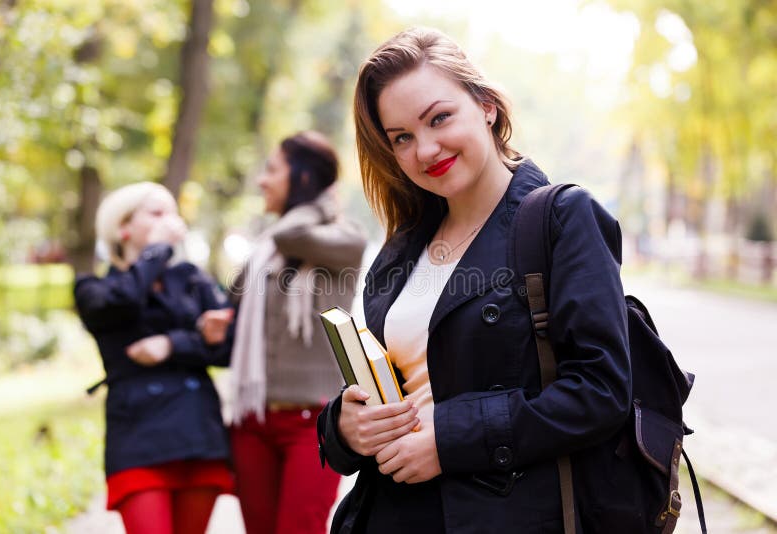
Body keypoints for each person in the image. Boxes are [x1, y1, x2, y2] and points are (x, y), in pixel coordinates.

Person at [316, 27, 631, 533]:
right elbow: (401, 384)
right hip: (390, 515)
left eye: (439, 118)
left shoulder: (560, 219)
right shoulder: (402, 246)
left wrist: (451, 442)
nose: (425, 149)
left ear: (485, 105)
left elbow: (602, 390)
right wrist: (344, 427)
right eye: (402, 137)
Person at [202, 131, 367, 534]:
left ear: (304, 178)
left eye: (272, 170)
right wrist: (212, 327)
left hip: (314, 421)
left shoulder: (344, 240)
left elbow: (291, 235)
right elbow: (233, 308)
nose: (262, 180)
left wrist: (316, 203)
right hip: (253, 419)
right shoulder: (261, 253)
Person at [73, 182, 234, 534]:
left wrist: (172, 344)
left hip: (197, 434)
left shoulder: (191, 279)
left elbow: (229, 347)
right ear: (122, 227)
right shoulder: (93, 288)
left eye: (172, 213)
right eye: (157, 213)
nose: (169, 221)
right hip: (138, 438)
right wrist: (156, 249)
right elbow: (124, 301)